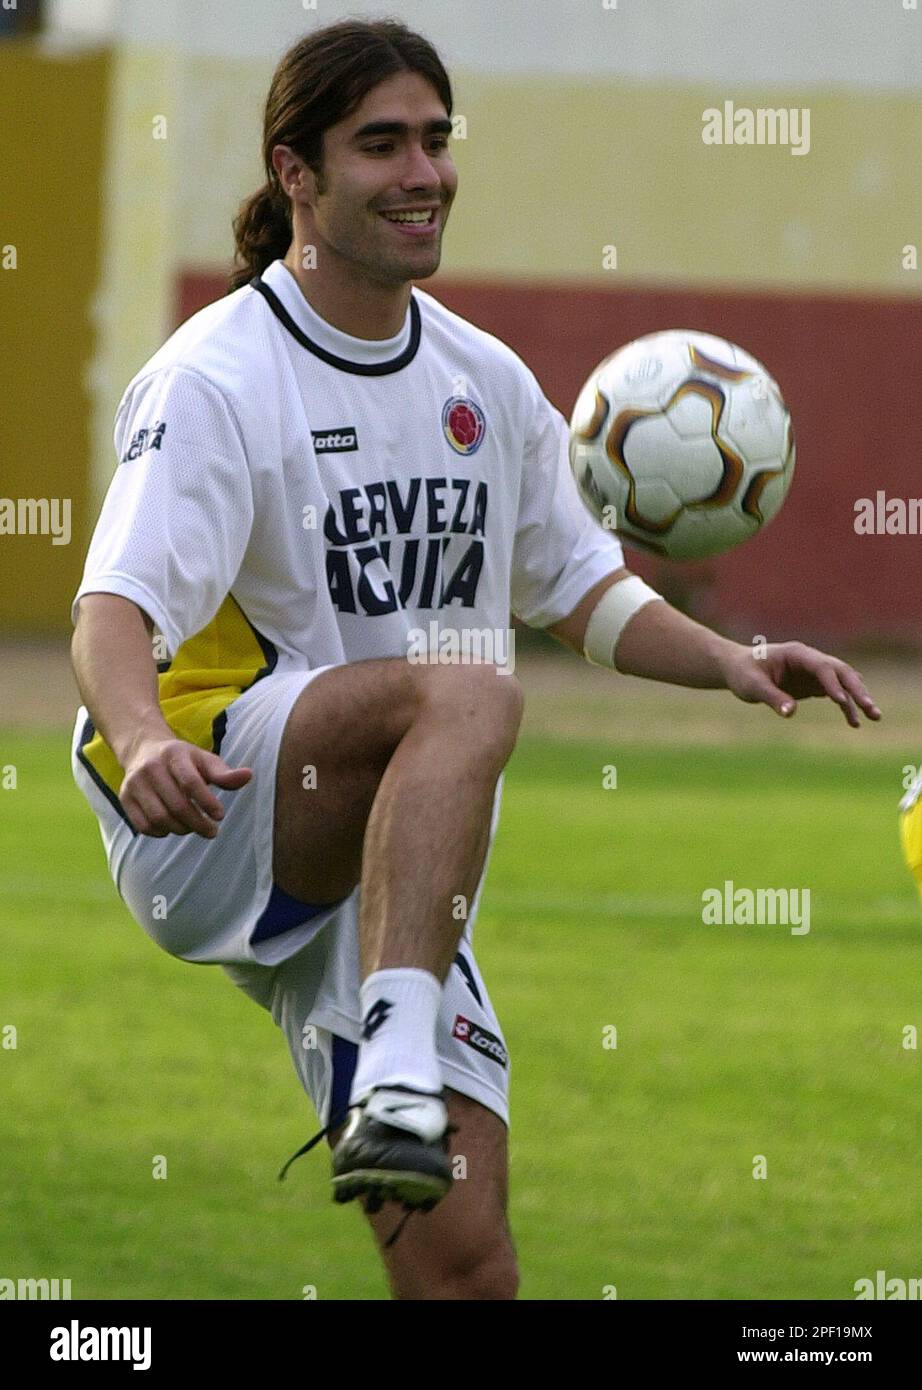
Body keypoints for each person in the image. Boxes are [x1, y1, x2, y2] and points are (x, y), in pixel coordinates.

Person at [69, 18, 881, 1301]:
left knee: (466, 1270)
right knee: (465, 682)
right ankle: (395, 1065)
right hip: (209, 801)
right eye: (379, 143)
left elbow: (581, 590)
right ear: (297, 175)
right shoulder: (216, 378)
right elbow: (110, 607)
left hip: (385, 868)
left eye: (436, 141)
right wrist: (149, 734)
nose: (422, 173)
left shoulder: (482, 383)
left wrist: (729, 657)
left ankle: (388, 1069)